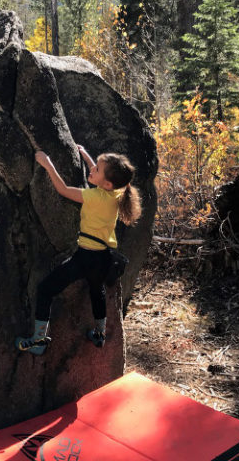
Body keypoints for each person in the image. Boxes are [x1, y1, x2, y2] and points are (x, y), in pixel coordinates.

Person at [15, 145, 142, 355]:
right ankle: (99, 335)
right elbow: (101, 177)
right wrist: (85, 156)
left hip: (85, 258)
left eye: (97, 170)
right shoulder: (115, 195)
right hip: (103, 258)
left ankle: (39, 341)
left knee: (45, 289)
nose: (92, 170)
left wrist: (47, 164)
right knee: (96, 291)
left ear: (107, 183)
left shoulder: (94, 198)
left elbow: (63, 189)